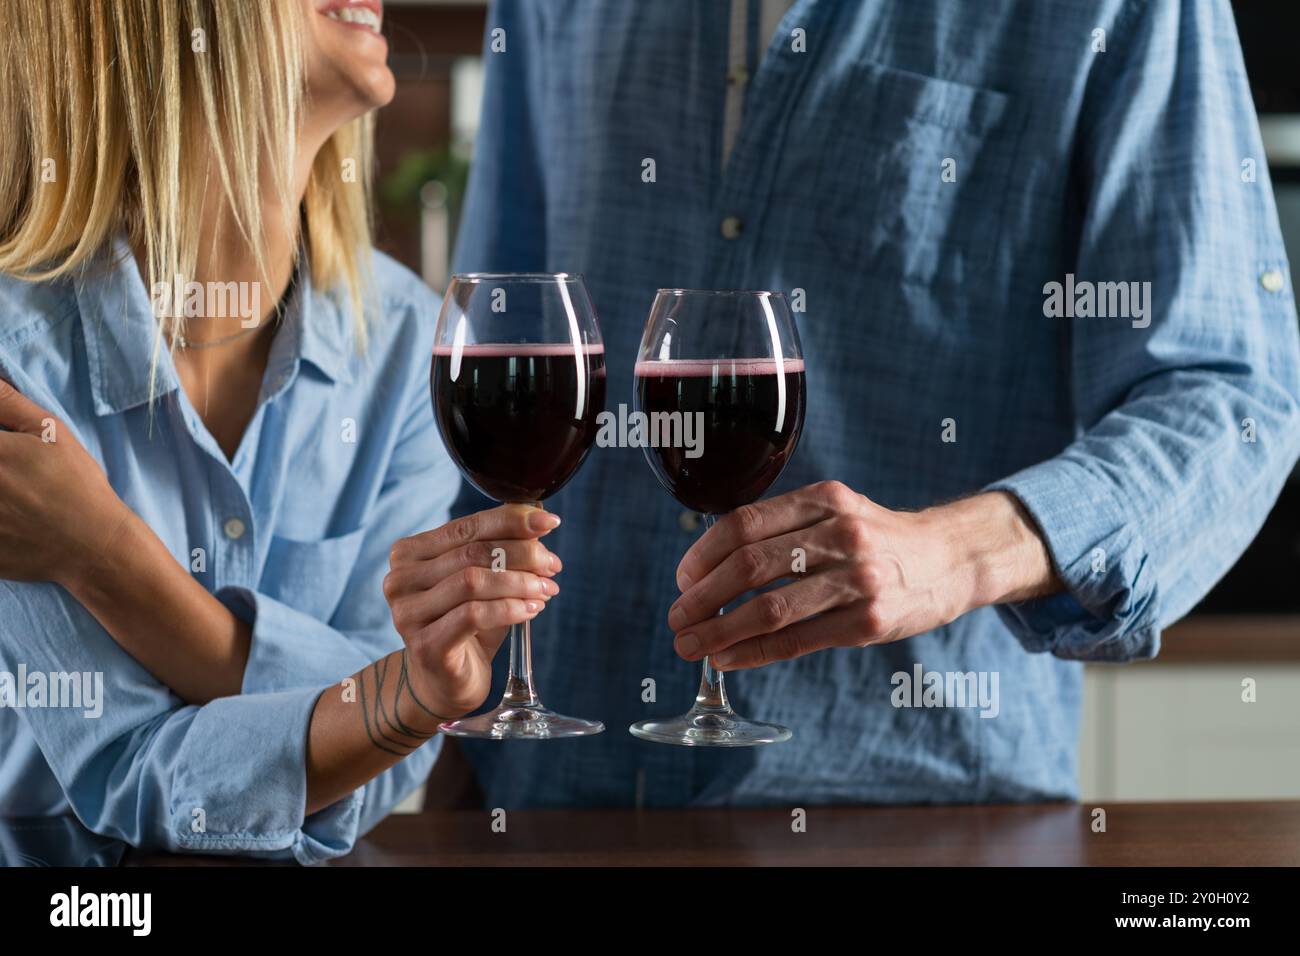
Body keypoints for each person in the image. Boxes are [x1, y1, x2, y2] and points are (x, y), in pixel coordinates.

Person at [448, 0, 1300, 807]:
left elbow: (1228, 397)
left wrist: (958, 552)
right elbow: (495, 350)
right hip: (549, 796)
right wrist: (452, 757)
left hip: (918, 811)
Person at [0, 1, 558, 863]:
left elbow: (383, 773)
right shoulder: (13, 353)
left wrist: (100, 549)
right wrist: (395, 700)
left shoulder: (410, 340)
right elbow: (133, 774)